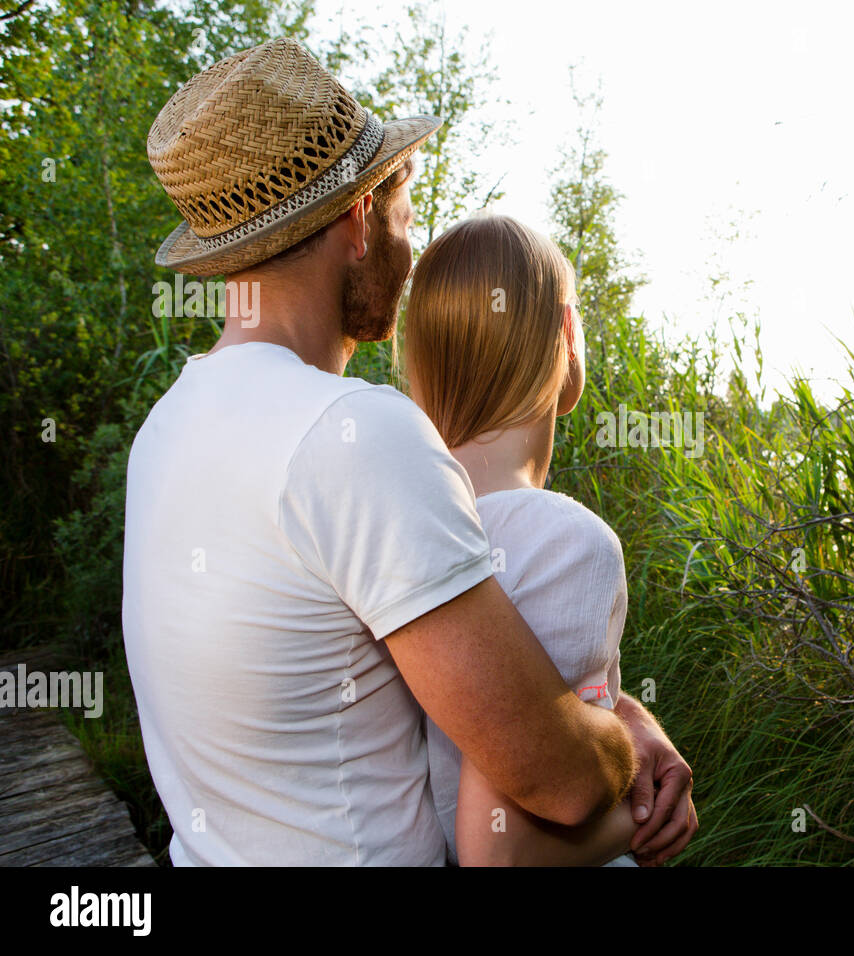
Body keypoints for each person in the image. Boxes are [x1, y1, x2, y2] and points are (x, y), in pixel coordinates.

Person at [123, 37, 695, 866]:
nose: (410, 242)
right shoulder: (354, 435)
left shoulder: (164, 432)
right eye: (404, 212)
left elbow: (467, 685)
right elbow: (556, 779)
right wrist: (626, 739)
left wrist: (620, 711)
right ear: (359, 220)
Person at [406, 214, 642, 865]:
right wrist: (645, 815)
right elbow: (499, 853)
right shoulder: (567, 546)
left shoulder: (401, 522)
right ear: (568, 336)